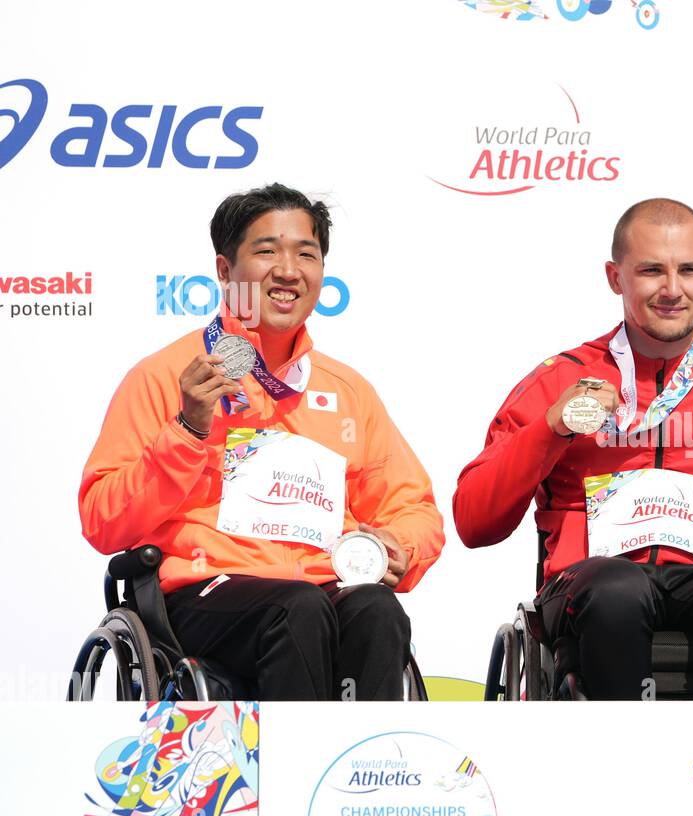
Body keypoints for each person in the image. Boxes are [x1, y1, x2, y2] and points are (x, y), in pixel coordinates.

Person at [79, 183, 444, 700]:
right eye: (267, 251)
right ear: (225, 271)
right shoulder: (165, 377)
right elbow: (102, 518)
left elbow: (412, 506)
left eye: (306, 254)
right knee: (298, 609)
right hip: (209, 590)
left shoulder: (347, 391)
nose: (289, 269)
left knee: (377, 611)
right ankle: (293, 771)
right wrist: (187, 431)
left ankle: (366, 772)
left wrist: (400, 545)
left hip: (322, 586)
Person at [454, 198, 693, 700]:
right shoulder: (562, 380)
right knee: (617, 589)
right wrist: (551, 429)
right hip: (593, 584)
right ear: (616, 277)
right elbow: (474, 524)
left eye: (689, 270)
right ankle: (624, 764)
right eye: (651, 270)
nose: (673, 290)